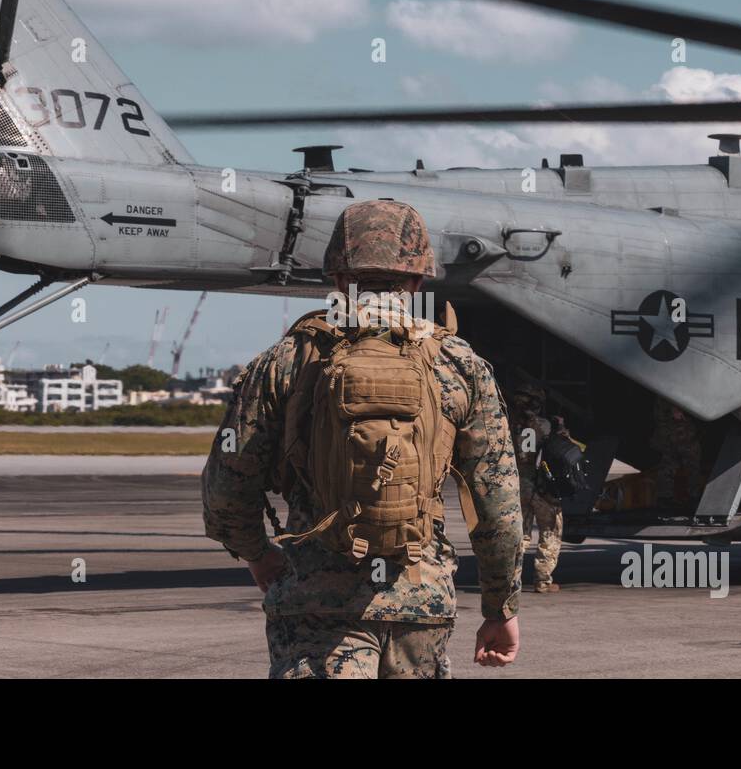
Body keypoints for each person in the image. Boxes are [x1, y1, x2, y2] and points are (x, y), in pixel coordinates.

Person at [202, 199, 523, 679]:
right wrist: (501, 608)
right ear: (417, 281)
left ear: (336, 278)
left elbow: (227, 488)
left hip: (316, 605)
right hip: (420, 602)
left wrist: (258, 554)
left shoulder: (287, 360)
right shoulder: (459, 363)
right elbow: (498, 505)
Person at [509, 384, 563, 593]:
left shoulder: (508, 425)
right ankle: (543, 580)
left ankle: (512, 581)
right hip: (541, 486)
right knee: (550, 531)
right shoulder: (545, 426)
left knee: (519, 535)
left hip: (516, 484)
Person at [649, 398, 702, 510]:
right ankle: (692, 497)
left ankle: (665, 498)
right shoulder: (668, 399)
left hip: (673, 433)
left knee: (670, 465)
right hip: (678, 433)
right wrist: (674, 408)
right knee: (689, 463)